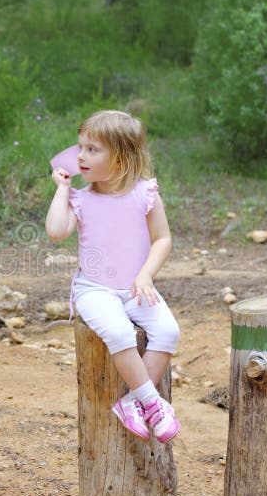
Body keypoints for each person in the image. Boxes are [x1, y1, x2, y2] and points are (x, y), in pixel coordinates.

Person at [45, 110, 181, 443]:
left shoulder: (144, 193)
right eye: (80, 147)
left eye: (92, 149)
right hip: (95, 290)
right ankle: (152, 403)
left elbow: (162, 238)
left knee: (167, 331)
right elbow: (56, 231)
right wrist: (63, 189)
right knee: (119, 332)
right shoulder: (83, 199)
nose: (80, 156)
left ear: (120, 159)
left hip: (136, 285)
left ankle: (132, 403)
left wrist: (147, 275)